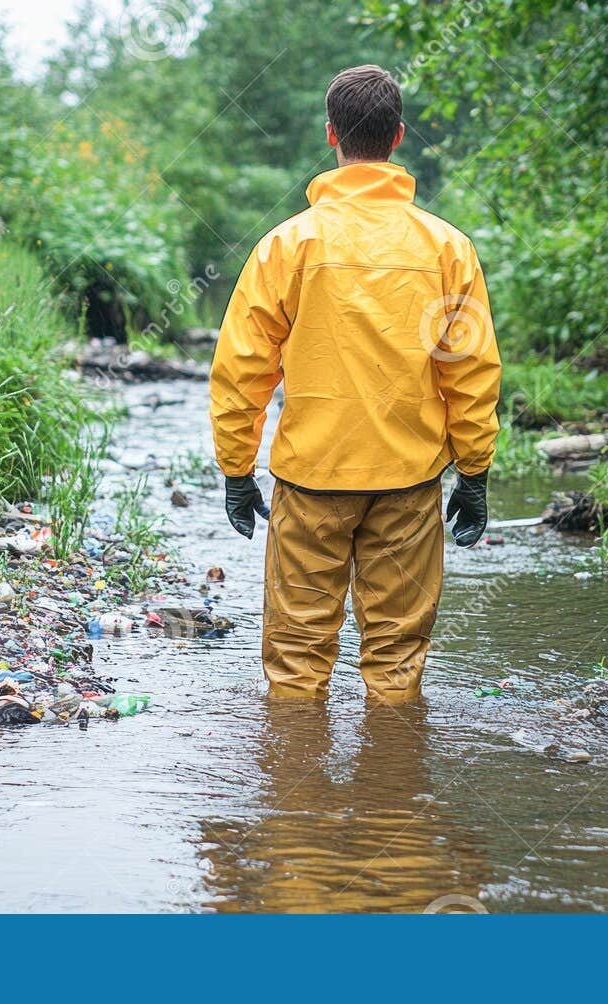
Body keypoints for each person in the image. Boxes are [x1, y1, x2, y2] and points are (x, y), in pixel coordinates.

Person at [209, 64, 501, 704]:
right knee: (397, 661)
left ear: (330, 135)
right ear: (398, 137)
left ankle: (294, 799)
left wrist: (237, 468)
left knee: (295, 660)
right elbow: (471, 369)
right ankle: (393, 800)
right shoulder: (448, 248)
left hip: (311, 479)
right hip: (410, 480)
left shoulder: (285, 246)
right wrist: (474, 471)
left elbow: (242, 367)